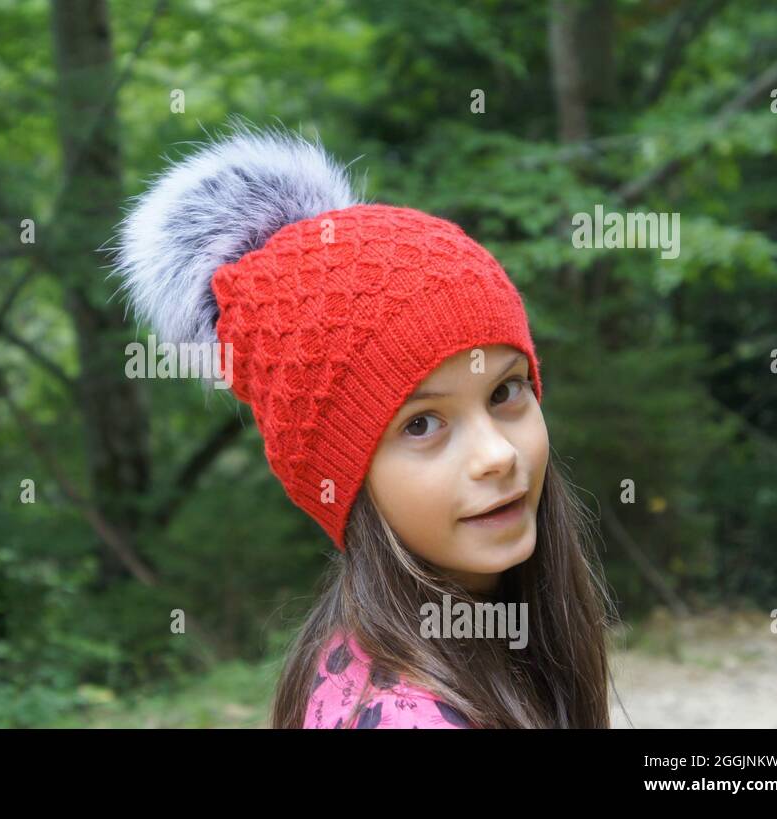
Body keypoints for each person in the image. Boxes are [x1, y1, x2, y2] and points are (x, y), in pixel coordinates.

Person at [110, 123, 614, 729]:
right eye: (423, 424)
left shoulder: (387, 651)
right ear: (340, 479)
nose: (496, 454)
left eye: (505, 391)